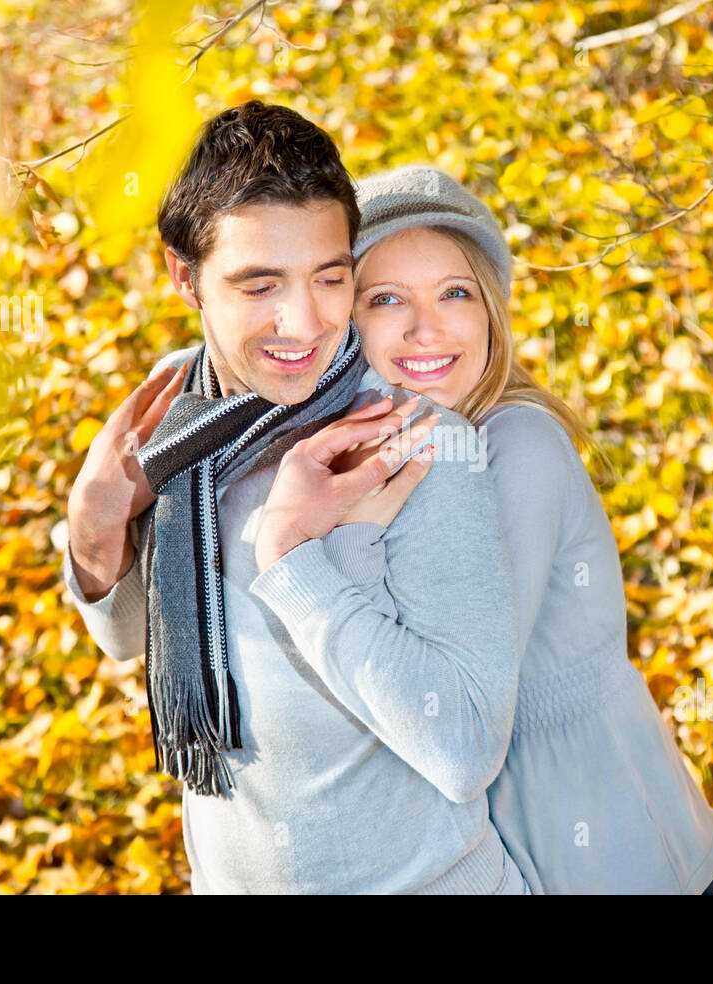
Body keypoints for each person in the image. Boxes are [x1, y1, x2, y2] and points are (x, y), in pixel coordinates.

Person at [62, 102, 529, 893]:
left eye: (330, 277)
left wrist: (294, 558)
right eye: (259, 285)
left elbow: (466, 748)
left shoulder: (409, 444)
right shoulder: (179, 409)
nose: (303, 322)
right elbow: (131, 637)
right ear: (185, 278)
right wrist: (94, 528)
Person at [312, 163, 713, 893]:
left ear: (491, 313)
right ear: (349, 324)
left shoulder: (519, 445)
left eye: (455, 293)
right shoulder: (386, 452)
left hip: (625, 864)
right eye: (386, 299)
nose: (426, 326)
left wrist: (341, 544)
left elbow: (450, 682)